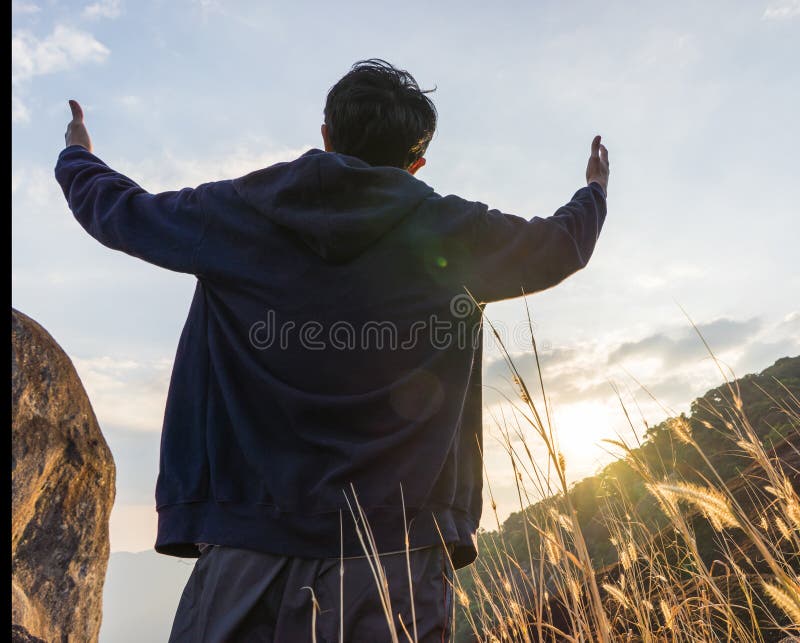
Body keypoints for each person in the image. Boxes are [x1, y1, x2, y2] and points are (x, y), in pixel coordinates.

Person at [56, 58, 609, 642]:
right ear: (416, 163)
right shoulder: (455, 231)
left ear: (326, 136)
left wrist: (77, 155)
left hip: (245, 549)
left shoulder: (236, 212)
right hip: (397, 561)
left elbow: (120, 212)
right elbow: (561, 245)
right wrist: (594, 190)